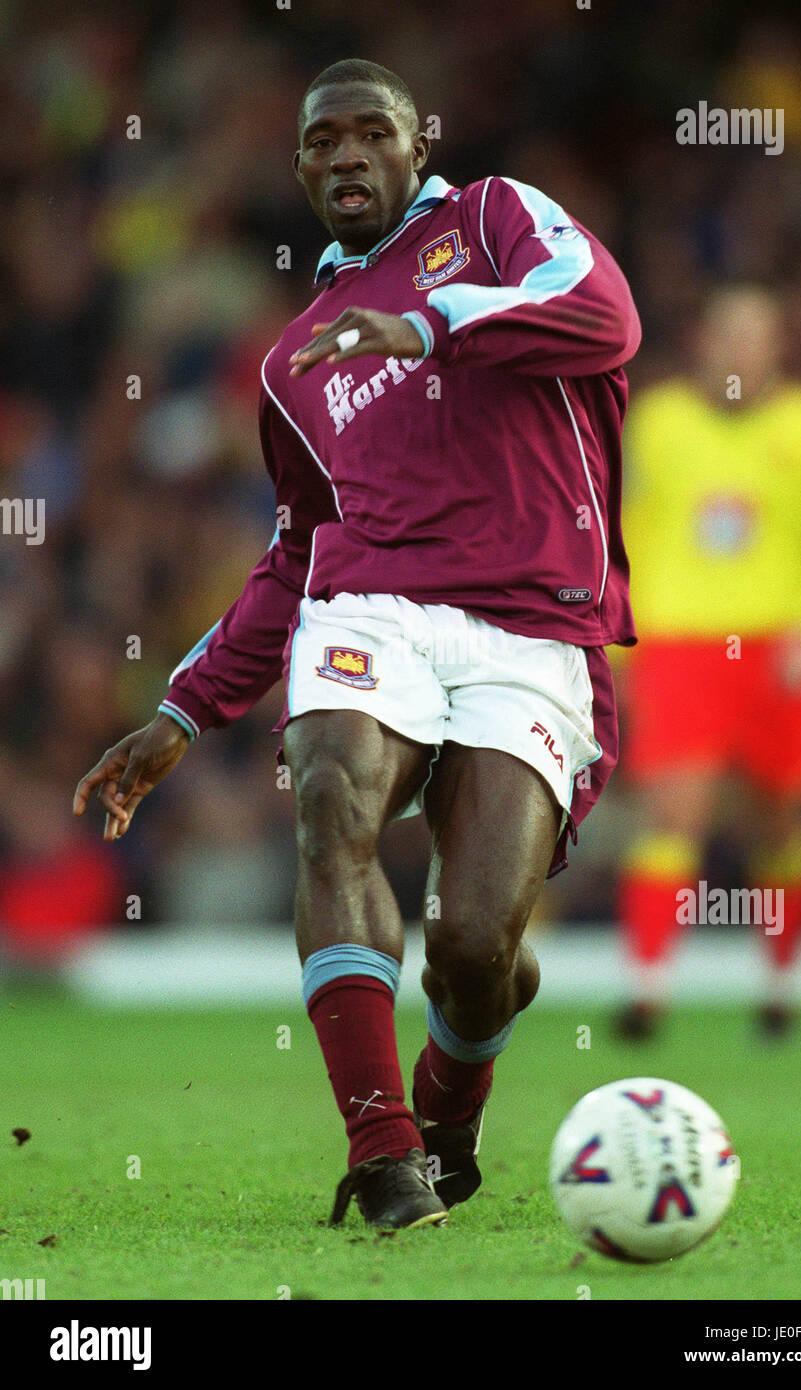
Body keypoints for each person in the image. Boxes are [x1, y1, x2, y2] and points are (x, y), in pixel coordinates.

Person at [73, 59, 641, 1229]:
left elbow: (606, 316)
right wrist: (184, 708)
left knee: (475, 944)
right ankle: (383, 1154)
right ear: (298, 169)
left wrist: (430, 323)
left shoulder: (490, 219)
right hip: (369, 608)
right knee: (331, 796)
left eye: (367, 133)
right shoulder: (291, 364)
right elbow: (296, 553)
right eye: (320, 141)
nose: (343, 157)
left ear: (411, 146)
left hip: (533, 629)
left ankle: (445, 1109)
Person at [614, 285, 801, 1039]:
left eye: (754, 337)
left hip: (776, 647)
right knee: (672, 812)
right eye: (727, 335)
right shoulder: (659, 424)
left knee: (781, 825)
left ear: (777, 347)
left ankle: (781, 983)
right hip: (679, 645)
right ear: (703, 341)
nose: (738, 351)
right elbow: (623, 530)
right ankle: (646, 991)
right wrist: (615, 643)